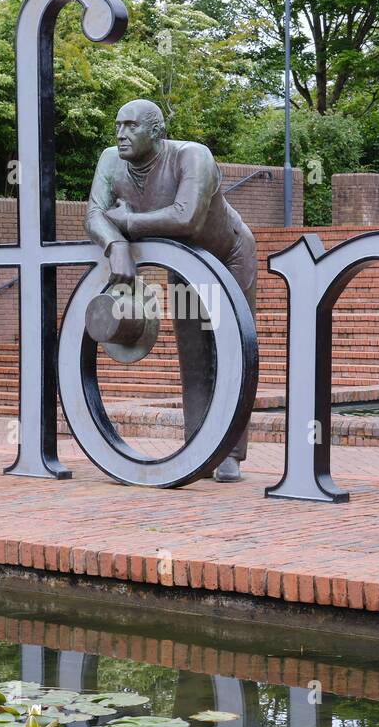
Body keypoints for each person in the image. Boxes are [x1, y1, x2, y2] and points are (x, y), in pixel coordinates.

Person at [85, 99, 257, 481]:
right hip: (186, 264)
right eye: (118, 125)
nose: (120, 134)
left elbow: (188, 217)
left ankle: (230, 452)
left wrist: (127, 221)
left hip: (228, 256)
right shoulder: (110, 160)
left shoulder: (193, 156)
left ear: (157, 133)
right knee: (194, 357)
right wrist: (116, 246)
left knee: (232, 352)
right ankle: (199, 447)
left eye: (131, 126)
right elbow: (94, 214)